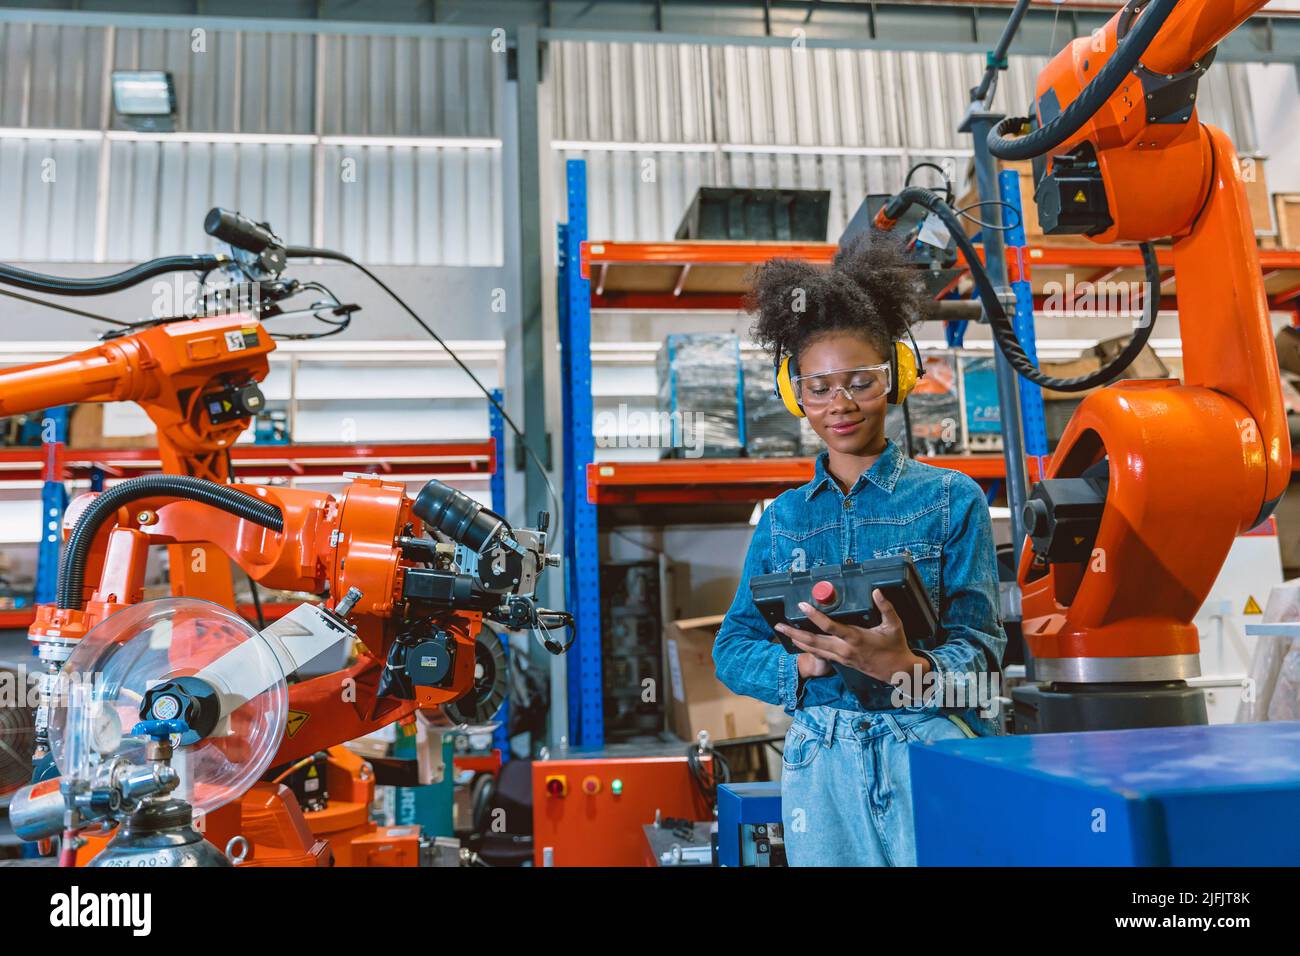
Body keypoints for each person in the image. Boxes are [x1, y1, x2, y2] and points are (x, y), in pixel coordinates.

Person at [713, 236, 1006, 867]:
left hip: (926, 742)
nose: (839, 404)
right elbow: (732, 648)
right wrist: (804, 667)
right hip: (822, 756)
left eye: (859, 382)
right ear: (795, 396)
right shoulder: (782, 519)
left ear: (895, 376)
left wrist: (904, 668)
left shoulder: (953, 499)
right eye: (817, 387)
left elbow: (984, 659)